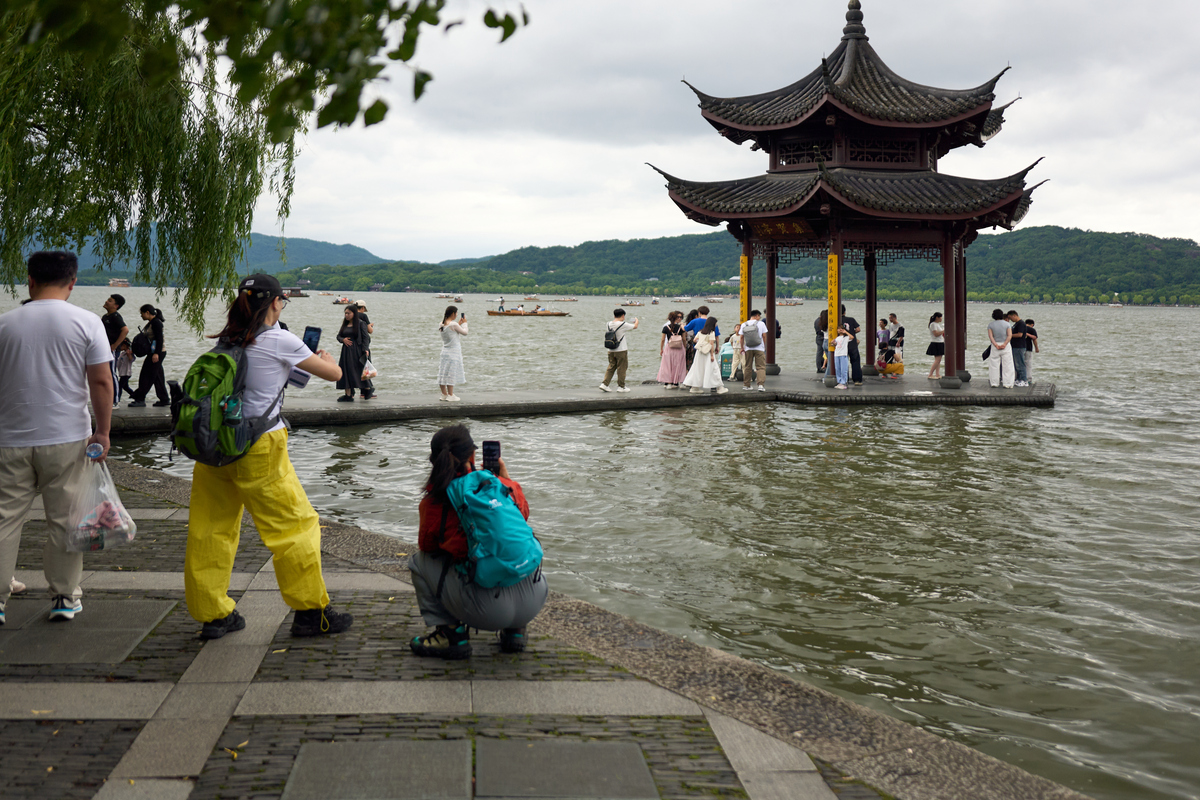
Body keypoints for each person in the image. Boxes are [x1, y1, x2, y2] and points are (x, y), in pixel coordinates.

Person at [185, 274, 350, 639]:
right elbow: (334, 374)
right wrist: (322, 356)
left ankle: (213, 615)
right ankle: (311, 613)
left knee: (210, 528)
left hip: (215, 444)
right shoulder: (280, 339)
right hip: (259, 446)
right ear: (276, 302)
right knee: (295, 527)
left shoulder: (228, 338)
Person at [0, 251, 113, 624]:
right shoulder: (87, 322)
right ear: (73, 281)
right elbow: (100, 381)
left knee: (4, 520)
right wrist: (103, 431)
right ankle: (65, 597)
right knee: (65, 519)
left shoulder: (5, 324)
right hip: (68, 437)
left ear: (29, 280)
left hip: (9, 437)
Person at [409, 425, 548, 659]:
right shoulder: (502, 486)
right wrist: (505, 479)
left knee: (418, 562)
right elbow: (521, 517)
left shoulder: (434, 502)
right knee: (512, 545)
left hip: (488, 610)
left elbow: (428, 547)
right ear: (473, 456)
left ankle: (451, 636)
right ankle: (515, 631)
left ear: (435, 461)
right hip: (534, 598)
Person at [127, 304, 168, 407]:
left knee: (147, 375)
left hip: (157, 353)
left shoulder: (156, 323)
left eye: (142, 313)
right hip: (154, 353)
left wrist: (156, 354)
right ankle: (164, 399)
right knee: (157, 376)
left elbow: (160, 340)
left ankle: (140, 399)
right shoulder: (151, 323)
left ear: (147, 313)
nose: (141, 316)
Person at [681, 317, 728, 395]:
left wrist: (701, 343)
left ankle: (694, 387)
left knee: (697, 369)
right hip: (707, 353)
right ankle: (719, 387)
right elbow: (711, 345)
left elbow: (694, 340)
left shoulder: (701, 332)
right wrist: (712, 355)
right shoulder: (711, 333)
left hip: (699, 353)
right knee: (714, 369)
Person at [599, 308, 638, 393]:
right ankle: (621, 387)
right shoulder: (623, 324)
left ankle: (604, 384)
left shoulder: (608, 324)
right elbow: (635, 326)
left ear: (614, 315)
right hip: (621, 350)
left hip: (611, 349)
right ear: (623, 315)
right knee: (622, 368)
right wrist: (636, 320)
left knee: (611, 366)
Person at [101, 293, 128, 406]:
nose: (107, 301)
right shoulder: (105, 317)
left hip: (112, 350)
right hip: (104, 349)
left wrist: (115, 345)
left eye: (110, 300)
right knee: (104, 374)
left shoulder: (116, 317)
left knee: (112, 373)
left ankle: (115, 401)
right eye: (108, 299)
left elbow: (125, 330)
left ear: (116, 306)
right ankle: (106, 398)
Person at [437, 305, 468, 401]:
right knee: (451, 373)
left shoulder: (441, 324)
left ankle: (444, 394)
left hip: (445, 351)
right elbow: (465, 332)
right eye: (456, 313)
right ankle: (451, 395)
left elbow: (453, 330)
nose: (457, 315)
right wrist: (465, 324)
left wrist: (458, 324)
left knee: (443, 372)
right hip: (453, 352)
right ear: (453, 313)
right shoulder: (453, 324)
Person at [335, 305, 364, 402]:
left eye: (348, 313)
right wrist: (343, 340)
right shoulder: (345, 324)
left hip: (356, 351)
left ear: (354, 314)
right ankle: (348, 394)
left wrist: (365, 349)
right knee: (345, 371)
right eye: (345, 313)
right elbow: (338, 336)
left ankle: (365, 390)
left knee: (355, 371)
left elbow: (366, 338)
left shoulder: (360, 324)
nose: (346, 315)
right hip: (345, 351)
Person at [656, 310, 687, 389]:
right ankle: (680, 382)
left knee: (667, 365)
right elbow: (684, 339)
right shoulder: (681, 327)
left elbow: (663, 340)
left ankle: (669, 383)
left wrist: (661, 349)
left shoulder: (666, 327)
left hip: (669, 348)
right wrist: (685, 347)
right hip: (680, 348)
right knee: (680, 365)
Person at [739, 309, 768, 391]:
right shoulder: (761, 324)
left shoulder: (744, 324)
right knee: (761, 367)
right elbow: (764, 336)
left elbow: (741, 337)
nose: (759, 318)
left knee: (748, 366)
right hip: (759, 348)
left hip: (748, 348)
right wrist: (763, 346)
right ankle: (760, 385)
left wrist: (742, 348)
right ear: (757, 316)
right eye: (759, 316)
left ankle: (746, 385)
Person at [986, 308, 1014, 389]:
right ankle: (1007, 383)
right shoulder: (1007, 324)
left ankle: (994, 383)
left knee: (994, 365)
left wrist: (995, 344)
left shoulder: (990, 325)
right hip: (1006, 345)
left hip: (995, 345)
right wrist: (1005, 344)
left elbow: (991, 336)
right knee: (1008, 365)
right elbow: (1009, 335)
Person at [353, 303, 375, 399]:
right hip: (364, 345)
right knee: (366, 366)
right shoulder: (363, 316)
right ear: (362, 308)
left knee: (358, 367)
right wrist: (370, 325)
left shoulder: (351, 316)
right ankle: (366, 390)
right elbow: (369, 331)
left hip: (354, 345)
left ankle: (362, 391)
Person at [840, 305, 862, 385]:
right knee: (855, 361)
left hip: (842, 344)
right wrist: (852, 333)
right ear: (844, 312)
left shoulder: (837, 320)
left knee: (843, 362)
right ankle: (857, 380)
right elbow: (858, 329)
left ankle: (844, 379)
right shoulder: (851, 319)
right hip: (852, 343)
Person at [1007, 310, 1029, 386]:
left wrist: (1010, 336)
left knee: (1020, 363)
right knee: (1017, 364)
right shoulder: (1016, 324)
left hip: (1019, 346)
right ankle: (1019, 379)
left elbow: (1020, 334)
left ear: (1014, 315)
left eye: (1010, 318)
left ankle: (1024, 380)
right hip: (1015, 346)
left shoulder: (1021, 324)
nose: (1010, 320)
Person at [926, 312, 945, 380]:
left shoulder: (937, 324)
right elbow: (936, 334)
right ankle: (930, 374)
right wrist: (944, 331)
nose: (941, 319)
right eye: (940, 317)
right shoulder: (933, 324)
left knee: (938, 360)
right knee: (937, 360)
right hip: (936, 343)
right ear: (937, 317)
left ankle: (937, 374)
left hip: (940, 342)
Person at [832, 324, 851, 389]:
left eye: (841, 328)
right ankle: (839, 382)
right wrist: (833, 343)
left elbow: (852, 337)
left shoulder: (845, 337)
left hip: (843, 354)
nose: (840, 330)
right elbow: (836, 344)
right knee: (838, 369)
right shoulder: (837, 338)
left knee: (843, 369)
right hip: (837, 354)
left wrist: (846, 332)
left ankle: (844, 382)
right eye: (839, 328)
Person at [1024, 318, 1039, 384]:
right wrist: (1036, 348)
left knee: (1019, 363)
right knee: (1028, 364)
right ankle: (1028, 379)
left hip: (1018, 348)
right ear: (1032, 324)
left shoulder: (1020, 328)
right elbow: (1034, 339)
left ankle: (1017, 378)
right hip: (1028, 348)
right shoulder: (1032, 330)